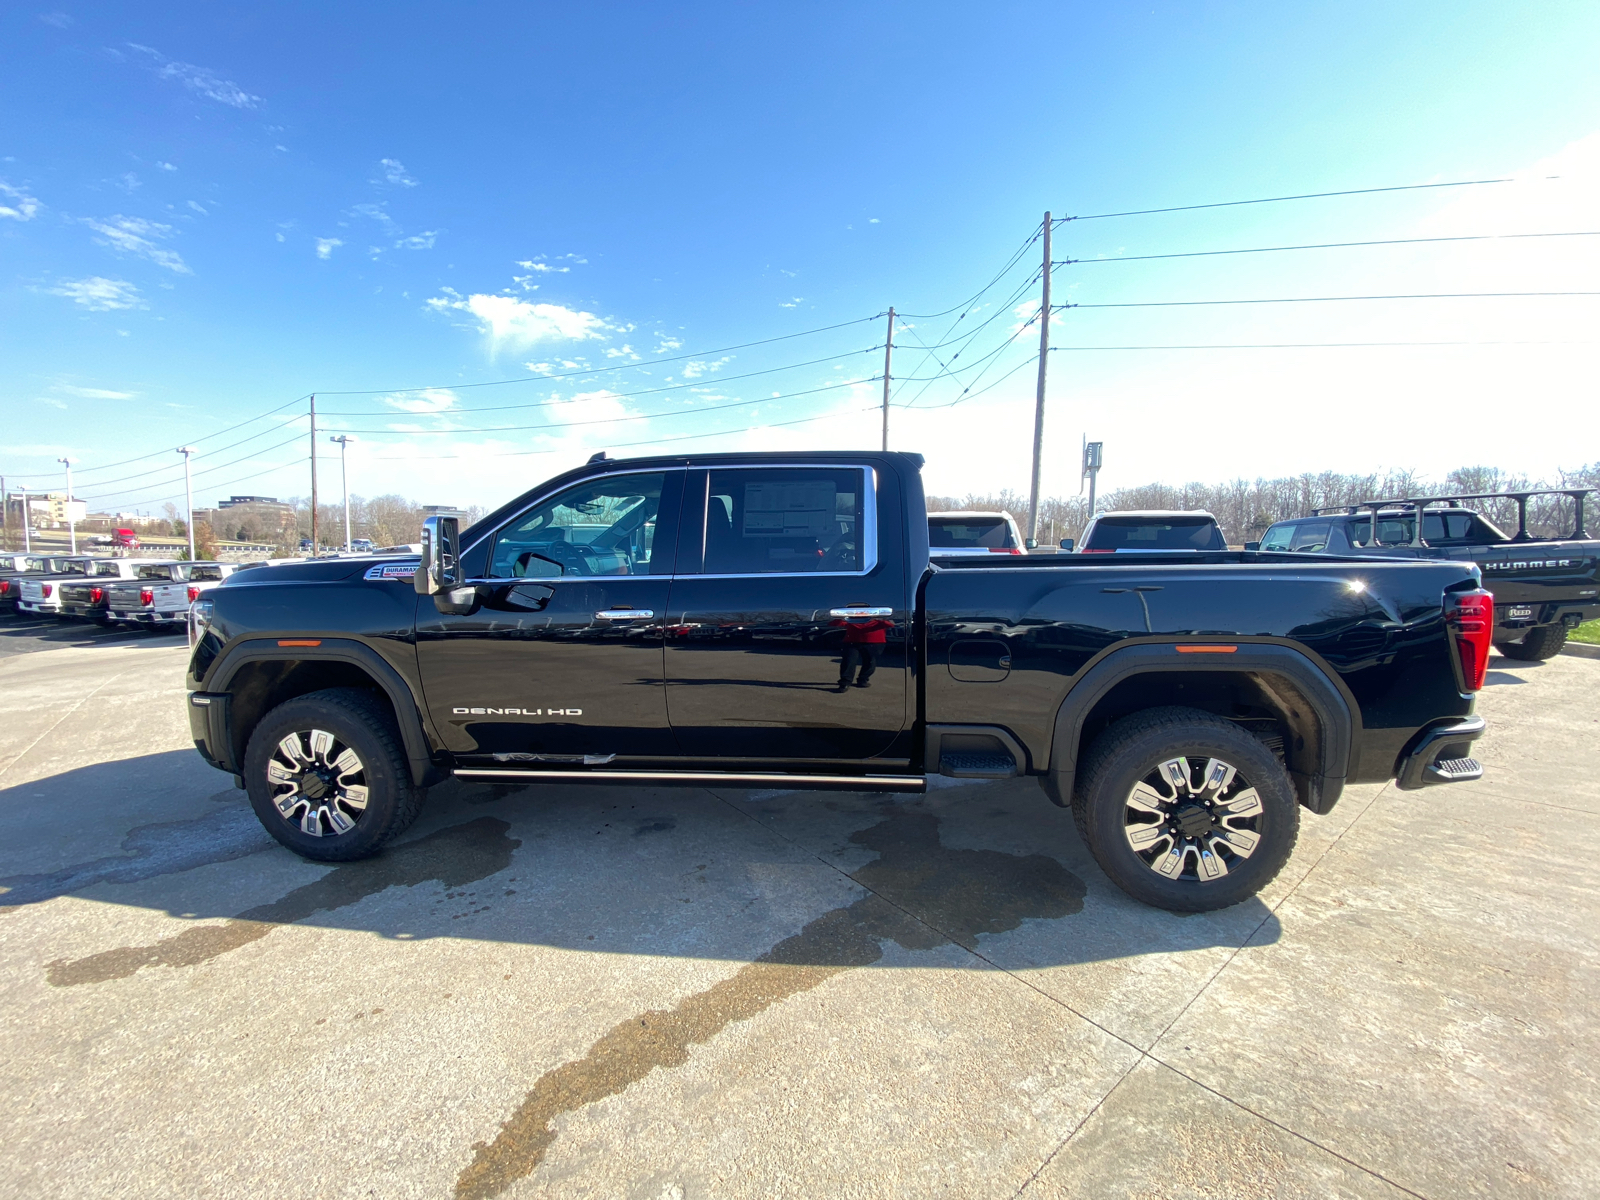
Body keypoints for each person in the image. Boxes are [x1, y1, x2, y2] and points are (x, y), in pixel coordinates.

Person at [831, 613, 893, 690]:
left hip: (874, 642)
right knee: (849, 661)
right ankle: (845, 683)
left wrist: (879, 619)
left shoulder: (879, 621)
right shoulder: (851, 620)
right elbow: (835, 623)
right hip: (852, 642)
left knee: (870, 662)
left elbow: (891, 624)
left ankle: (863, 680)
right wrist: (842, 617)